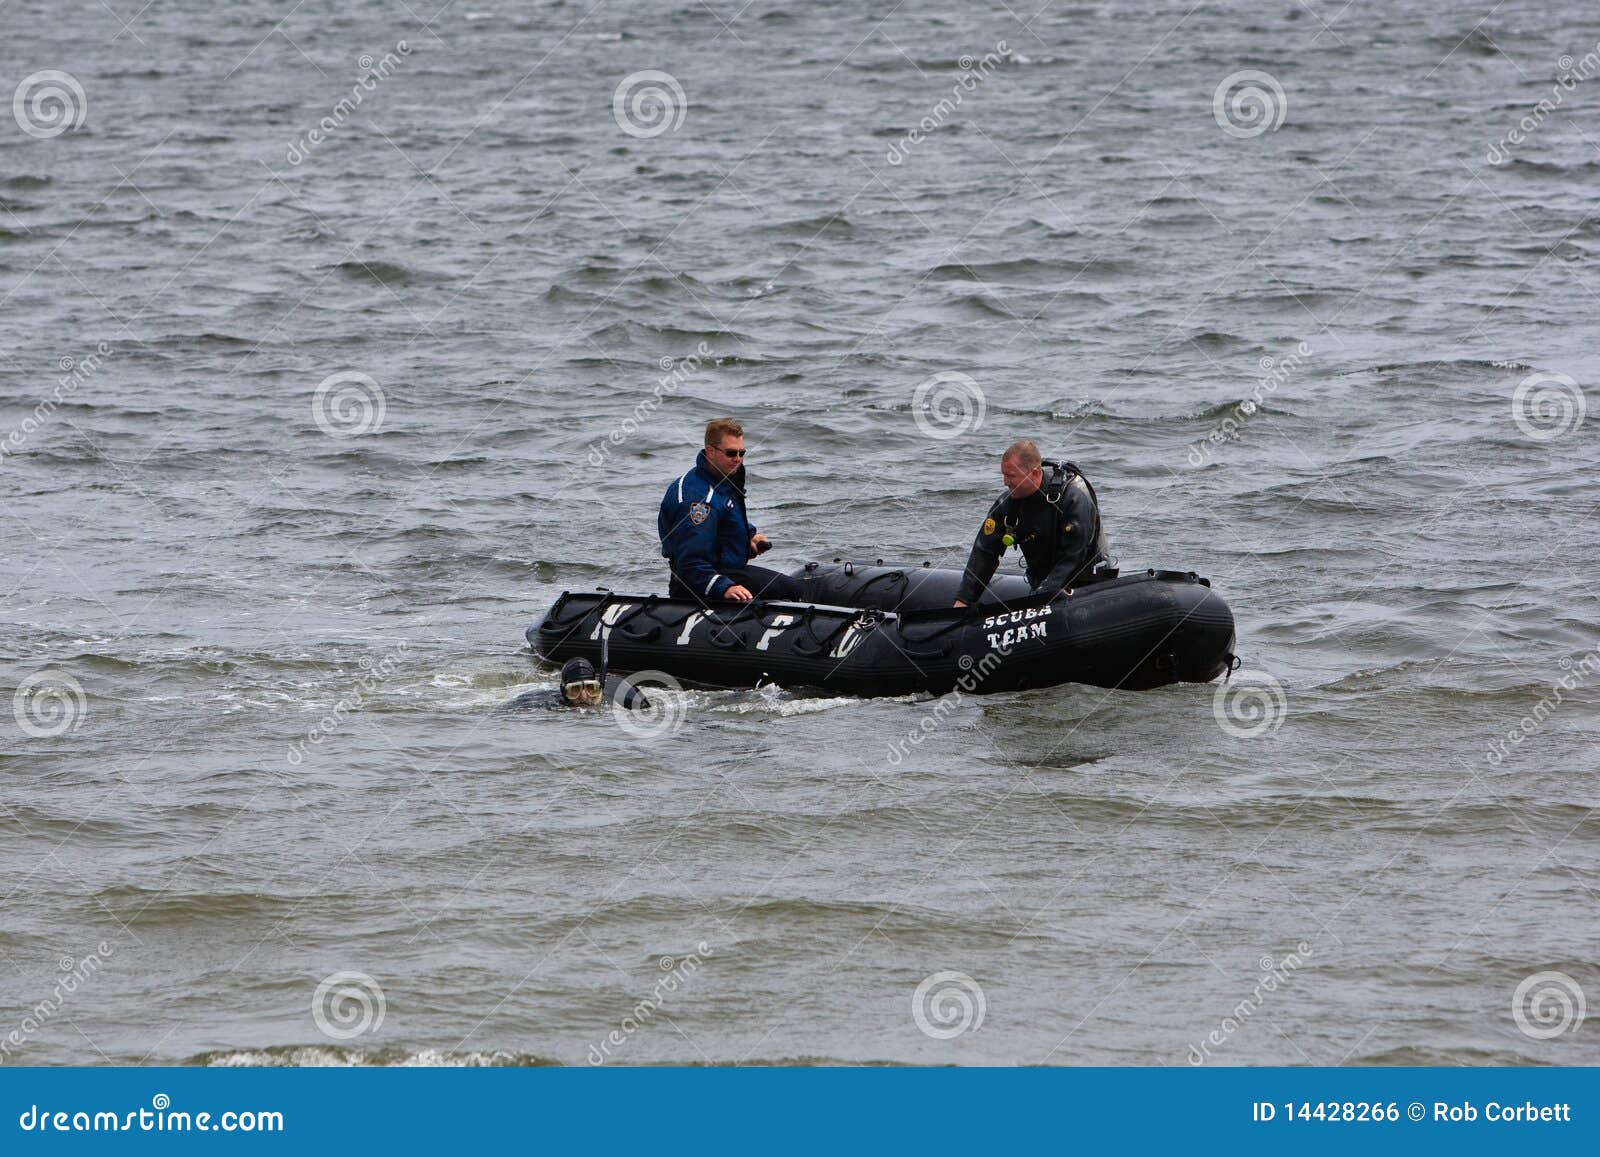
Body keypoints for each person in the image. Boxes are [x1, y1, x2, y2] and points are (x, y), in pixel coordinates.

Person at [658, 418, 802, 602]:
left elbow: (724, 519)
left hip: (724, 569)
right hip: (696, 582)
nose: (738, 459)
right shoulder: (699, 499)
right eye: (731, 453)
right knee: (787, 589)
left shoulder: (720, 480)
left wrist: (749, 538)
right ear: (710, 451)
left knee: (791, 586)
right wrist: (723, 587)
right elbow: (690, 561)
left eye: (742, 453)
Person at [953, 440, 1110, 607]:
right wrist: (963, 600)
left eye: (1011, 476)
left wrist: (1040, 598)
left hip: (1085, 586)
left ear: (1034, 473)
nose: (1005, 482)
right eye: (1003, 475)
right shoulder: (1007, 505)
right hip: (1042, 584)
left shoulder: (1072, 498)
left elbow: (1073, 558)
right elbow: (984, 552)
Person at [505, 657, 649, 710]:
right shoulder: (544, 703)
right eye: (575, 690)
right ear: (564, 693)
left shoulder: (624, 696)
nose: (584, 696)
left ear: (599, 687)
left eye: (591, 688)